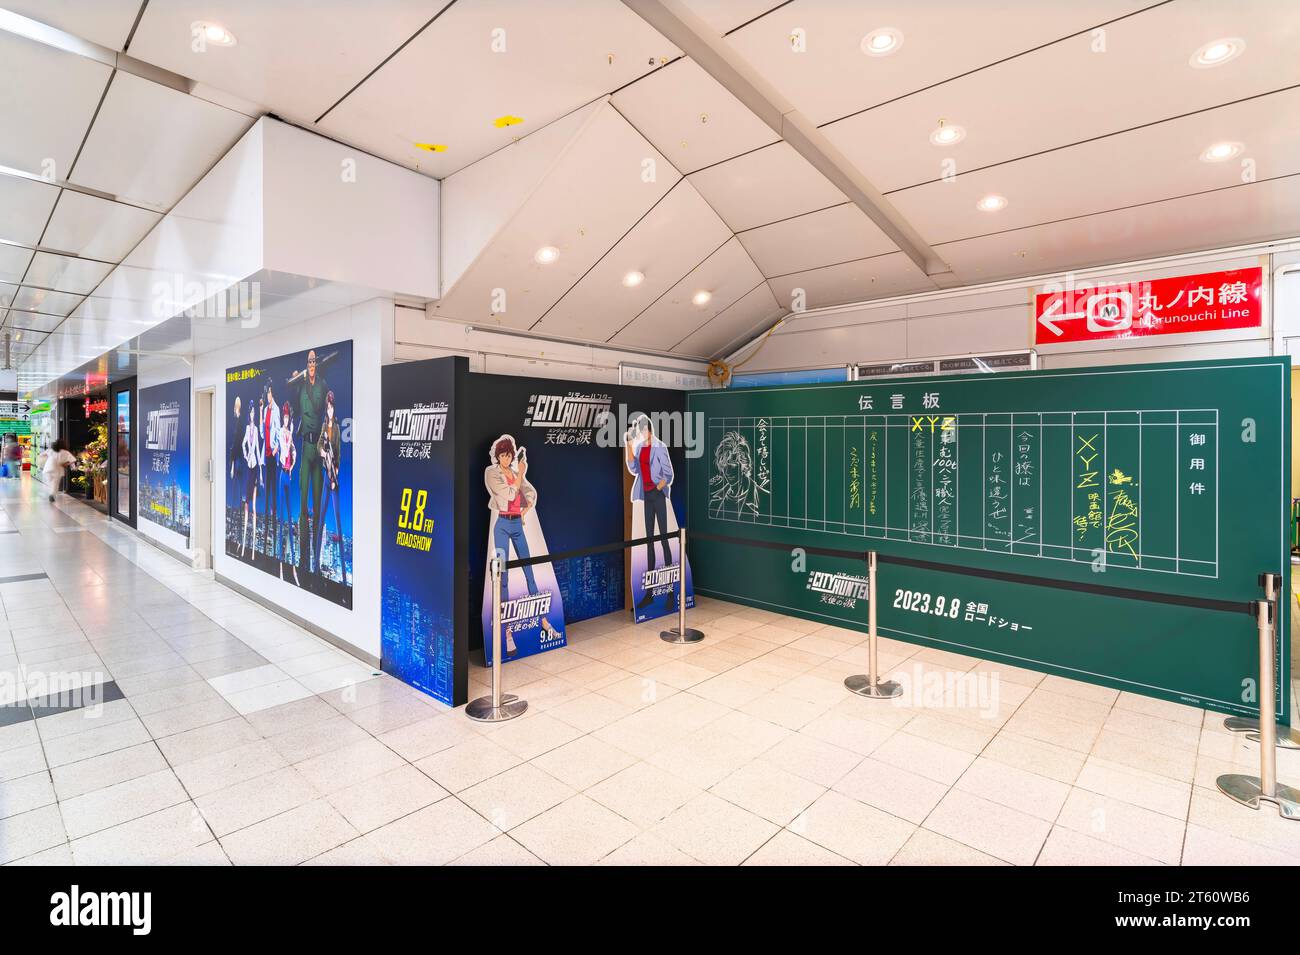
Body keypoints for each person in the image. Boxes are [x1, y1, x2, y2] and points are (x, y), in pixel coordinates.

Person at [484, 435, 559, 651]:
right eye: (503, 455)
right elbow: (508, 495)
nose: (507, 459)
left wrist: (524, 510)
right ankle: (507, 632)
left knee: (529, 571)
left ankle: (543, 621)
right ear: (498, 456)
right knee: (503, 577)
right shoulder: (492, 472)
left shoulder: (516, 473)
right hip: (502, 526)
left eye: (509, 455)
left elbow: (530, 493)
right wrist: (521, 474)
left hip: (517, 525)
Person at [625, 415, 676, 611]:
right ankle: (649, 594)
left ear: (650, 430)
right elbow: (633, 467)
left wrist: (658, 486)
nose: (642, 434)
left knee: (664, 540)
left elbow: (668, 473)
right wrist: (629, 445)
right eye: (640, 431)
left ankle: (670, 593)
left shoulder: (659, 447)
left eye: (643, 430)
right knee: (649, 542)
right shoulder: (639, 447)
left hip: (657, 495)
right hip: (645, 496)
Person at [289, 349, 329, 581]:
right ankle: (303, 559)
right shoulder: (301, 386)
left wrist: (307, 382)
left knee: (316, 501)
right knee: (303, 503)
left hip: (318, 447)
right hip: (305, 447)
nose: (311, 365)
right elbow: (296, 404)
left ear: (317, 365)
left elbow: (315, 407)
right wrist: (298, 381)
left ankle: (316, 559)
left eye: (314, 361)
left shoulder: (321, 386)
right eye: (308, 362)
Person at [315, 390, 347, 587]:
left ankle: (344, 575)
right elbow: (319, 445)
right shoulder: (323, 428)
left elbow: (339, 455)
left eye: (331, 407)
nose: (329, 410)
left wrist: (335, 473)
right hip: (325, 476)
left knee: (338, 522)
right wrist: (322, 452)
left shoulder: (335, 427)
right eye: (328, 407)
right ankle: (315, 566)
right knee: (320, 521)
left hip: (333, 480)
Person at [274, 401, 299, 585]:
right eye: (284, 417)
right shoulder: (282, 434)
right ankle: (280, 565)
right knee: (282, 517)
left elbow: (293, 452)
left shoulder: (289, 435)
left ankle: (292, 567)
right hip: (281, 474)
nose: (285, 419)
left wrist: (292, 466)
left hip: (288, 474)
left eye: (287, 417)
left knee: (290, 518)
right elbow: (281, 449)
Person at [239, 404, 260, 558]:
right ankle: (245, 545)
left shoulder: (257, 429)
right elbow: (242, 444)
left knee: (253, 506)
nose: (253, 414)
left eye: (254, 412)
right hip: (249, 467)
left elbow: (258, 449)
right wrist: (246, 455)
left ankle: (252, 550)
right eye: (251, 412)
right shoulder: (247, 428)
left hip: (255, 468)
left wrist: (261, 472)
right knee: (247, 505)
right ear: (249, 414)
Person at [262, 382, 279, 559]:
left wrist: (275, 449)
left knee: (273, 491)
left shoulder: (276, 410)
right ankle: (267, 522)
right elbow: (262, 432)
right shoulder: (265, 410)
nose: (268, 396)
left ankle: (273, 523)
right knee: (267, 490)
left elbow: (279, 429)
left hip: (272, 454)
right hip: (265, 454)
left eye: (270, 394)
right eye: (267, 394)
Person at [41, 439, 75, 503]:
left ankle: (51, 493)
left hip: (48, 469)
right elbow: (72, 460)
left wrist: (46, 460)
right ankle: (52, 494)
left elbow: (42, 455)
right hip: (58, 469)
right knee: (55, 484)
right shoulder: (65, 452)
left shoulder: (50, 450)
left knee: (50, 483)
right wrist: (67, 464)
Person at [227, 395, 242, 524]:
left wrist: (232, 465)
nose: (234, 409)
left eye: (235, 407)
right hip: (237, 459)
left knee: (236, 488)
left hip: (238, 460)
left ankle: (235, 517)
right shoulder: (237, 422)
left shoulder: (239, 423)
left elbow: (235, 446)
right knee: (236, 489)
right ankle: (233, 518)